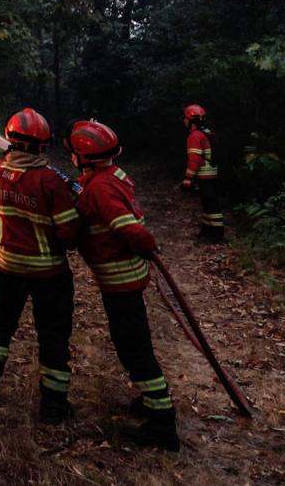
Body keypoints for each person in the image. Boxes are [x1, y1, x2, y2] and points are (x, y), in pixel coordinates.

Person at [64, 119, 180, 452]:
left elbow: (128, 229)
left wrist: (147, 243)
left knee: (133, 348)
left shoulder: (99, 188)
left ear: (84, 157)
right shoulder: (111, 177)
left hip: (121, 280)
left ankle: (162, 424)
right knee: (135, 343)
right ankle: (151, 401)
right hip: (126, 278)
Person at [0, 108, 80, 423]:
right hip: (49, 272)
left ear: (9, 139)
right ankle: (53, 405)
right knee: (53, 335)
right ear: (43, 145)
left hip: (8, 268)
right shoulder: (49, 180)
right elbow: (69, 232)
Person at [181, 104, 224, 242]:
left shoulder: (194, 136)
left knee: (211, 205)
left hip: (205, 175)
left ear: (190, 120)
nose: (184, 121)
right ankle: (207, 232)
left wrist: (188, 178)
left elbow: (195, 160)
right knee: (208, 203)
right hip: (213, 173)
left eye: (185, 118)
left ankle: (216, 235)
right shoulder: (208, 132)